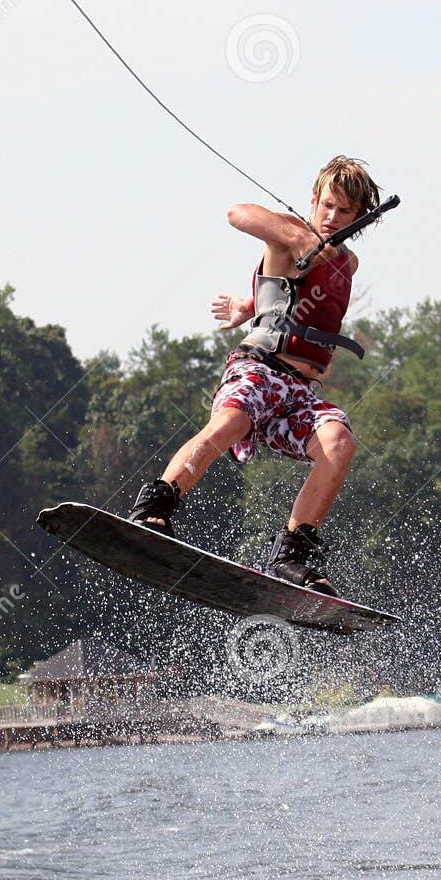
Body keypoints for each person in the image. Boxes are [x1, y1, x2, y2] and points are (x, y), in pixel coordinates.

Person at [127, 156, 381, 597]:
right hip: (259, 370)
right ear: (313, 201)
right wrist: (298, 235)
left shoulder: (349, 263)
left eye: (343, 211)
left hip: (300, 393)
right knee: (231, 422)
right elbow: (237, 213)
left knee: (339, 442)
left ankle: (293, 554)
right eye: (325, 205)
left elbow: (296, 295)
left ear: (358, 217)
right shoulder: (289, 233)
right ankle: (157, 506)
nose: (330, 216)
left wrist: (251, 305)